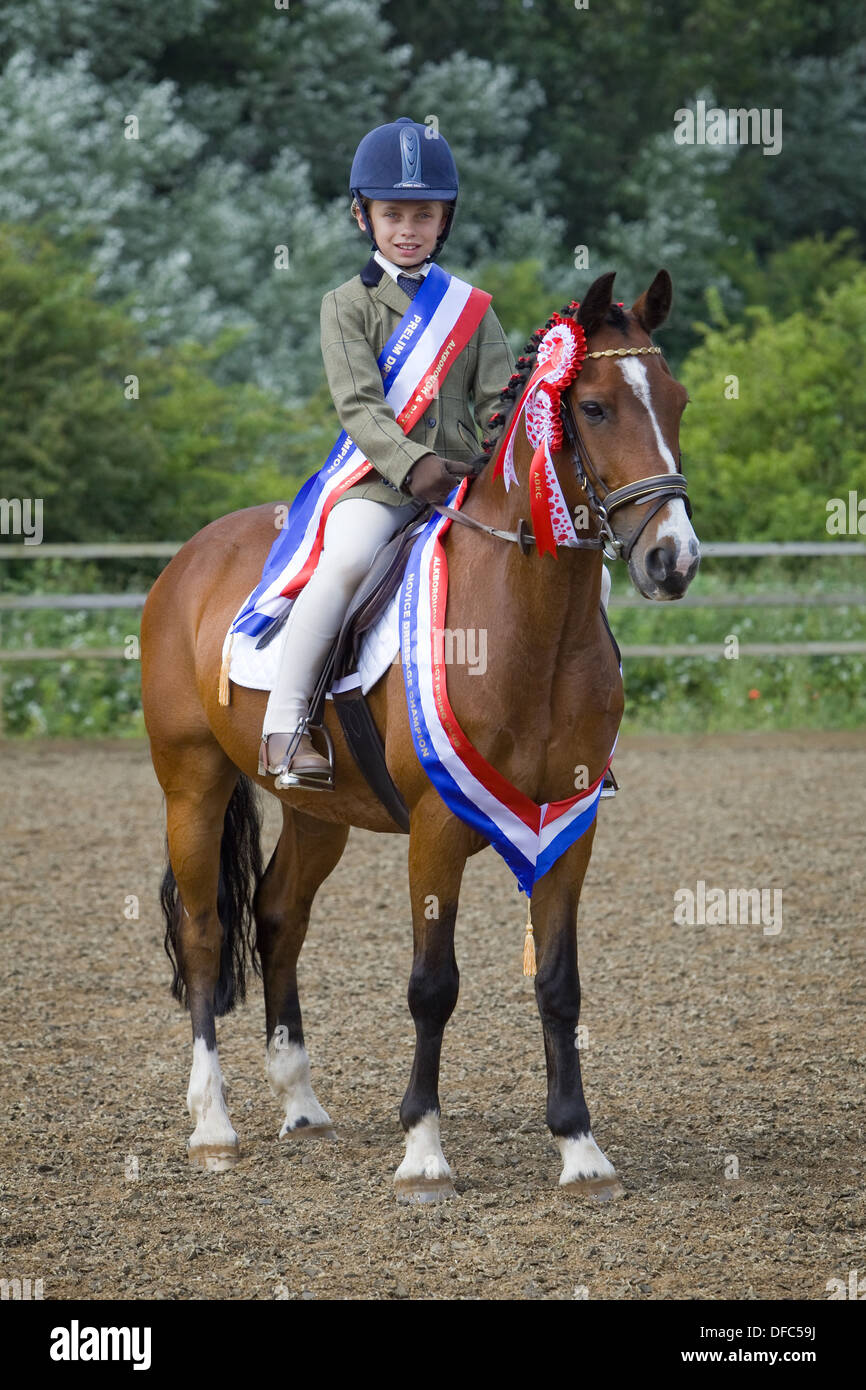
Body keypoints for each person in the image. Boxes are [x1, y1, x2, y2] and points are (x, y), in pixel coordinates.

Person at [259, 116, 514, 787]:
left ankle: (571, 729)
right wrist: (413, 465)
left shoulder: (472, 309)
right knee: (343, 564)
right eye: (392, 213)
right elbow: (360, 408)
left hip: (464, 486)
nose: (408, 228)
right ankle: (285, 727)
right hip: (380, 483)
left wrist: (494, 456)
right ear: (362, 216)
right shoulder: (345, 305)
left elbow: (500, 399)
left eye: (423, 215)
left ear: (444, 220)